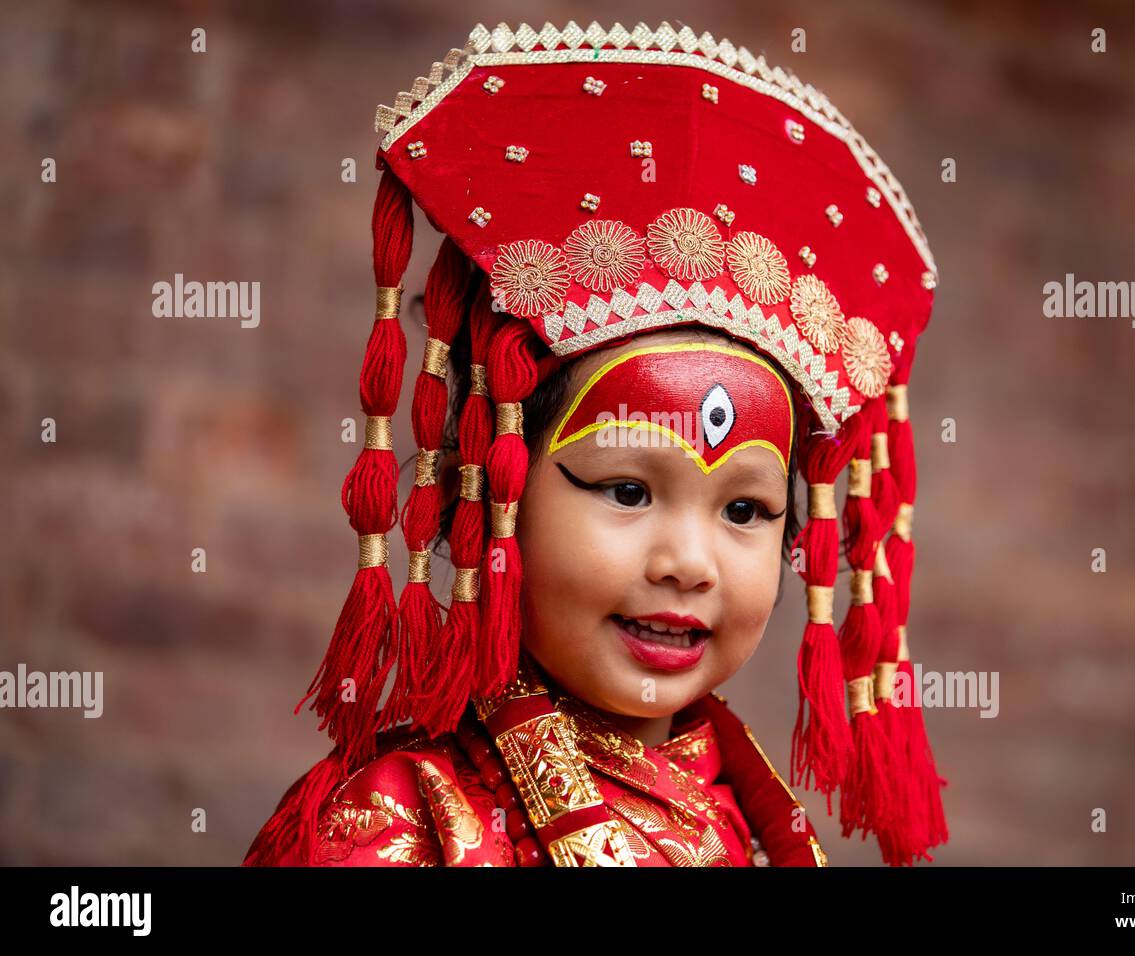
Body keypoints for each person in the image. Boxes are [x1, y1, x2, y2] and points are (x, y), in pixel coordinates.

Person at [243, 18, 945, 868]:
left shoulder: (745, 823)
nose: (689, 561)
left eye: (748, 509)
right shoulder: (397, 827)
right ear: (491, 488)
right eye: (626, 491)